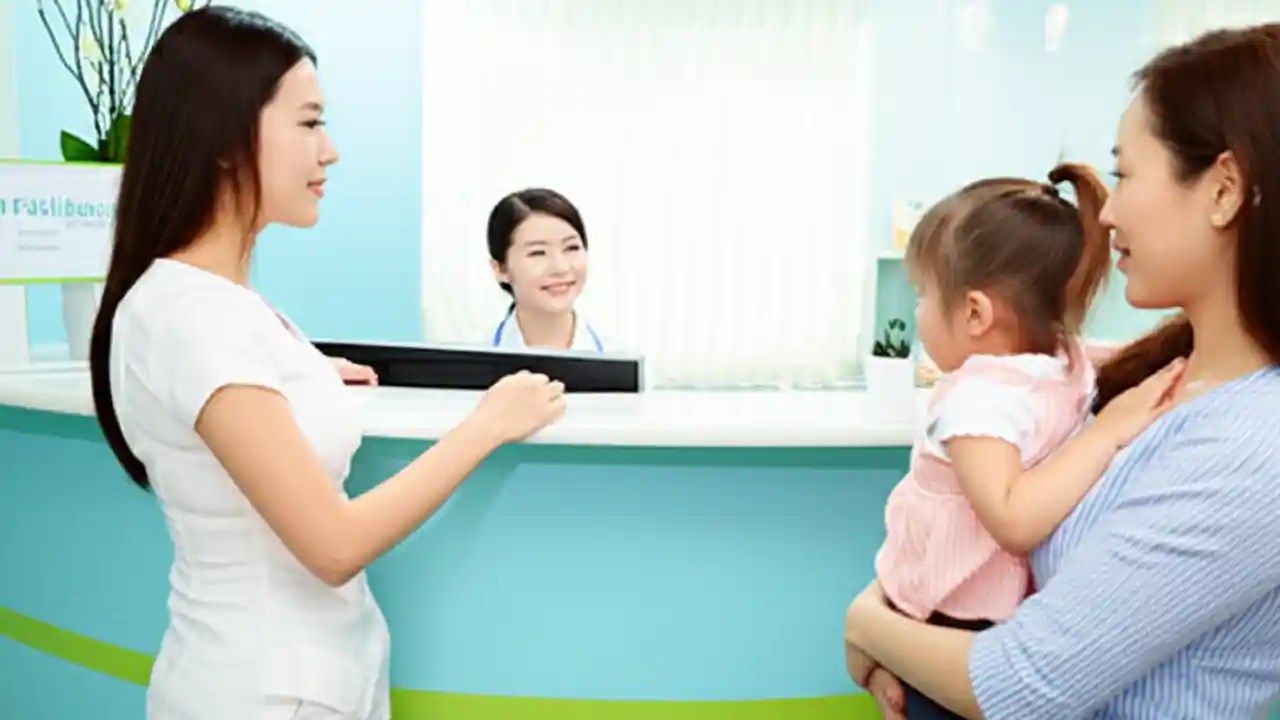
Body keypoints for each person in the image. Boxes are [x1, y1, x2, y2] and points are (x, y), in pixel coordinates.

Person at [86, 8, 565, 719]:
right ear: (224, 137)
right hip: (262, 691)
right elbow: (333, 544)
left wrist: (298, 374)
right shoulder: (195, 317)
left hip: (304, 678)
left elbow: (238, 401)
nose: (330, 150)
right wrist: (487, 425)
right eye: (309, 123)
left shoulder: (218, 309)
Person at [845, 23, 1280, 719]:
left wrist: (868, 625)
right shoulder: (1166, 375)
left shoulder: (1253, 449)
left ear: (1224, 190)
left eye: (1126, 173)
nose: (1106, 213)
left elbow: (1016, 687)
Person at [845, 162, 1183, 720]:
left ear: (975, 312)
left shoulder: (977, 396)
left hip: (950, 622)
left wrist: (1110, 430)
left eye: (922, 295)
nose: (918, 313)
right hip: (945, 623)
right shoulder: (1061, 361)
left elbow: (1013, 518)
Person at [486, 188, 607, 353]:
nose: (561, 268)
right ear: (500, 269)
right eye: (537, 252)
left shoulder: (624, 355)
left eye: (571, 248)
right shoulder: (467, 360)